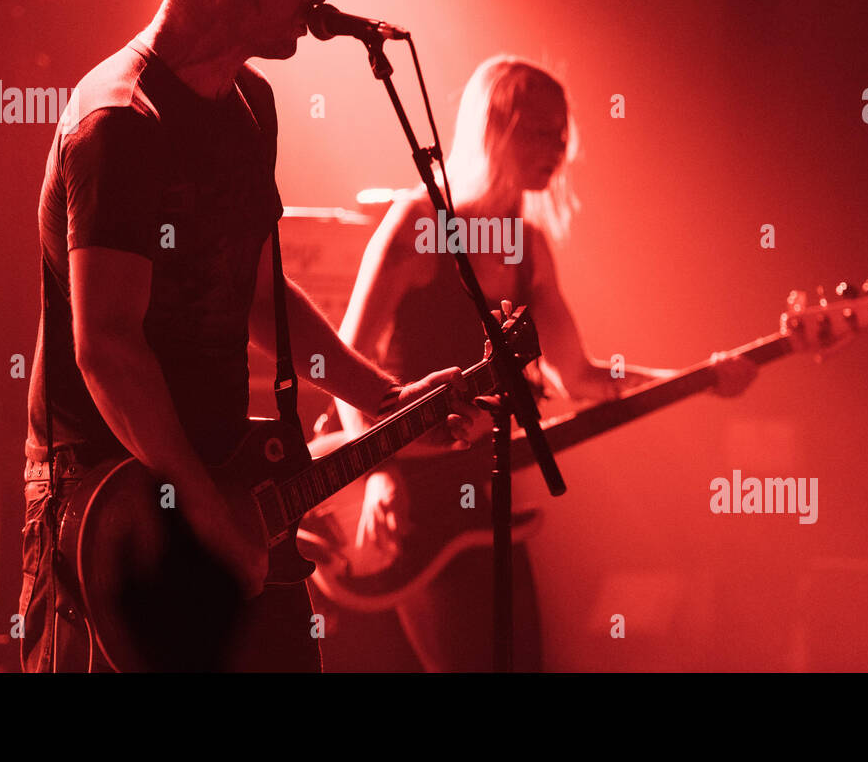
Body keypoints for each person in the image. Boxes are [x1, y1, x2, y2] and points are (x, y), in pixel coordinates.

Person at [19, 0, 472, 673]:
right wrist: (200, 504)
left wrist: (384, 397)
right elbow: (108, 347)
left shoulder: (251, 106)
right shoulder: (119, 123)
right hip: (115, 510)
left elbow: (258, 290)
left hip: (229, 485)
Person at [314, 55, 758, 671]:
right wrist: (380, 471)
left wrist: (704, 377)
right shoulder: (421, 224)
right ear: (496, 127)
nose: (558, 146)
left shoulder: (529, 248)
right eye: (540, 128)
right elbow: (338, 363)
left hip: (485, 504)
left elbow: (580, 378)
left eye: (562, 131)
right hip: (407, 513)